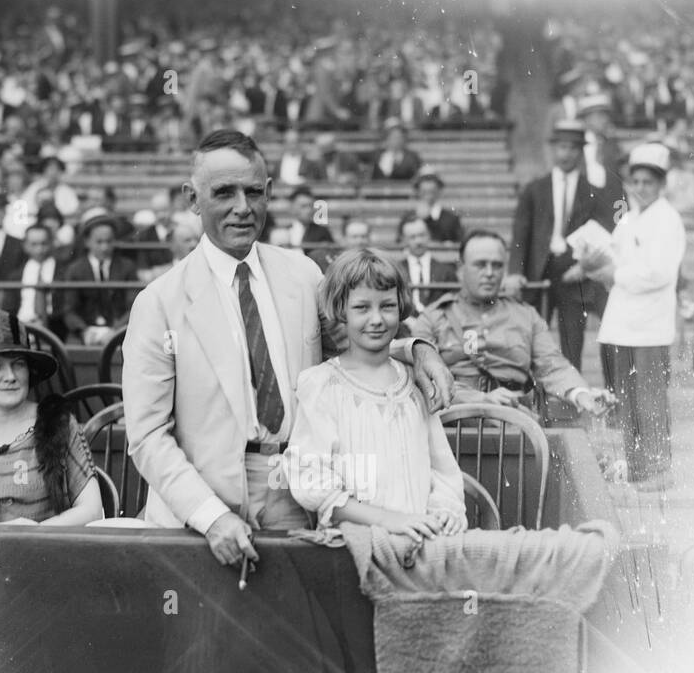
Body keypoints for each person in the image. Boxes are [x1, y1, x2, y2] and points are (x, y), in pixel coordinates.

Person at [122, 128, 453, 567]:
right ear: (192, 198)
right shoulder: (159, 302)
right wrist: (211, 517)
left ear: (269, 193)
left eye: (254, 192)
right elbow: (147, 437)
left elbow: (354, 343)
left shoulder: (301, 273)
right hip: (200, 508)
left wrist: (417, 349)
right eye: (224, 193)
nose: (242, 208)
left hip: (293, 491)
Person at [285, 249, 467, 543]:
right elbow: (310, 479)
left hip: (419, 537)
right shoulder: (323, 385)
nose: (377, 319)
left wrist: (443, 510)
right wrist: (389, 521)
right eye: (362, 308)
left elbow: (443, 469)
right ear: (341, 310)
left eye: (387, 306)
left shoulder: (413, 383)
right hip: (355, 544)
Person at [415, 230, 613, 414]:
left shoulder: (526, 316)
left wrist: (581, 394)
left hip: (514, 422)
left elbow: (553, 366)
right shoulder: (433, 318)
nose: (490, 273)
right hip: (453, 421)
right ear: (460, 269)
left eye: (497, 265)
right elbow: (423, 377)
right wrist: (481, 399)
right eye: (480, 264)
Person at [0, 310, 103, 525]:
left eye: (18, 364)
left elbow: (92, 510)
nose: (10, 376)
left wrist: (32, 534)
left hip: (46, 553)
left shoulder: (55, 424)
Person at [590, 143, 686, 490]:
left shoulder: (667, 220)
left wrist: (614, 274)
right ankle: (637, 468)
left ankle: (660, 470)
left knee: (650, 401)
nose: (641, 188)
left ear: (660, 185)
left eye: (648, 182)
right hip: (623, 323)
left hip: (650, 326)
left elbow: (658, 273)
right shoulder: (629, 219)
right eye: (636, 182)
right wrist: (591, 259)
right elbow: (612, 254)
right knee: (626, 401)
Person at [506, 119, 617, 374]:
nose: (566, 154)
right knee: (532, 341)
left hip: (573, 277)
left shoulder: (593, 192)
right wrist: (515, 272)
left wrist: (584, 266)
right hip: (538, 275)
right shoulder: (534, 189)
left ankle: (571, 404)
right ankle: (534, 402)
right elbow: (521, 233)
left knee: (572, 343)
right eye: (562, 147)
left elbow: (601, 234)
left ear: (580, 152)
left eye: (573, 149)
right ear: (553, 149)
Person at [57, 208, 139, 343]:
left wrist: (116, 331)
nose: (104, 247)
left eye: (109, 241)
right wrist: (84, 331)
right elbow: (69, 310)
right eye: (99, 242)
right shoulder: (75, 269)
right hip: (85, 332)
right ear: (87, 242)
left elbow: (133, 307)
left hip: (119, 331)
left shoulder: (127, 267)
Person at [396, 214, 458, 315]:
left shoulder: (446, 271)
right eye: (413, 237)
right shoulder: (396, 270)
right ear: (404, 239)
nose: (418, 241)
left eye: (422, 235)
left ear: (429, 235)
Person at [413, 166, 463, 245]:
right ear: (417, 190)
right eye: (424, 181)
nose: (428, 185)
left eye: (431, 180)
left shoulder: (452, 218)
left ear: (439, 189)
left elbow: (460, 243)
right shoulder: (408, 217)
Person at [285, 184, 334, 251]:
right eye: (303, 206)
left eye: (310, 206)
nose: (309, 210)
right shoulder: (285, 231)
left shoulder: (322, 232)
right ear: (292, 207)